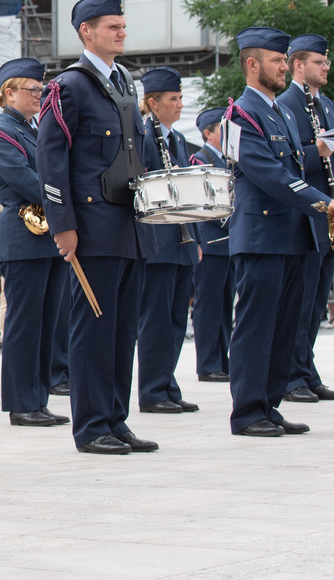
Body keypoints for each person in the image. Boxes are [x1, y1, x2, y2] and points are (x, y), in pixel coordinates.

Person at [36, 0, 158, 455]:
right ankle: (91, 426)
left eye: (123, 26)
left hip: (128, 223)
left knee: (123, 328)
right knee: (94, 327)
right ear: (86, 31)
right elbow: (51, 159)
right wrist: (62, 224)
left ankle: (115, 418)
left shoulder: (124, 80)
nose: (121, 32)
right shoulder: (70, 85)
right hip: (91, 223)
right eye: (112, 26)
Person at [223, 26, 334, 437]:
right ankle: (247, 412)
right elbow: (270, 174)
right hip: (262, 237)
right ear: (252, 64)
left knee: (283, 327)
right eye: (277, 60)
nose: (283, 66)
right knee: (257, 326)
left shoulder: (279, 111)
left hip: (293, 236)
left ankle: (270, 405)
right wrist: (323, 202)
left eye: (284, 60)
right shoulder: (240, 114)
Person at [0, 57, 70, 428]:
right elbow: (25, 181)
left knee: (48, 322)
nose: (40, 95)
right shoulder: (0, 133)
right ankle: (21, 402)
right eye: (33, 89)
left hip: (47, 235)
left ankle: (39, 398)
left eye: (42, 89)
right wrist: (67, 200)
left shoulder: (35, 130)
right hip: (22, 236)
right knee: (24, 323)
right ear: (10, 93)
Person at [276, 34, 334, 404]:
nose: (326, 68)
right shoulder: (287, 103)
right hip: (306, 215)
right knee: (300, 301)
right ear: (298, 65)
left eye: (326, 62)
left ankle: (307, 369)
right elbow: (288, 161)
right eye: (319, 62)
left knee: (318, 298)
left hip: (330, 214)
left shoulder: (326, 106)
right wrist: (317, 149)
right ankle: (291, 375)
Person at [134, 67, 200, 416]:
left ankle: (167, 383)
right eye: (172, 99)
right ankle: (152, 389)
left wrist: (197, 238)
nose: (179, 104)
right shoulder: (145, 136)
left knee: (176, 319)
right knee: (156, 320)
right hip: (159, 239)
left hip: (181, 239)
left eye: (179, 98)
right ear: (153, 103)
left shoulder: (178, 140)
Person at [188, 107, 232, 382]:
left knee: (226, 303)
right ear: (208, 133)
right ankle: (208, 363)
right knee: (208, 304)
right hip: (211, 239)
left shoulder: (227, 160)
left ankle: (222, 359)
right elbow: (202, 204)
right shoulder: (200, 160)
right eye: (222, 130)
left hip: (228, 241)